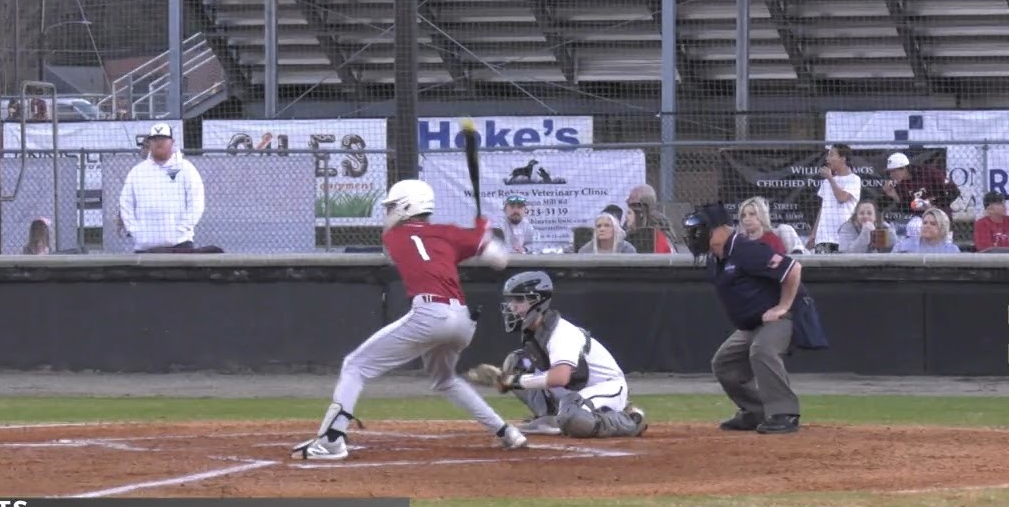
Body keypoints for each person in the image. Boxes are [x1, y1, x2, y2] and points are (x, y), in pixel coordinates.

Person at [291, 178, 525, 461]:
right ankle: (507, 432)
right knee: (445, 380)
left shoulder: (394, 236)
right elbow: (500, 260)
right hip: (462, 320)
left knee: (355, 366)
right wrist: (482, 234)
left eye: (392, 207)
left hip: (430, 314)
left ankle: (331, 440)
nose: (388, 212)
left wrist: (478, 235)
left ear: (406, 206)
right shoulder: (448, 233)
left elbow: (422, 242)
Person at [682, 203, 818, 435]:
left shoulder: (745, 249)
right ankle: (755, 411)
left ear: (722, 229)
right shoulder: (715, 258)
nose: (696, 236)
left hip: (785, 315)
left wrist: (783, 306)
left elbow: (793, 269)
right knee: (724, 363)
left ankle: (784, 413)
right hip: (755, 323)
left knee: (762, 350)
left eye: (702, 229)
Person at [491, 270, 646, 438]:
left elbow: (560, 377)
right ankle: (548, 417)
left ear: (537, 301)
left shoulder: (562, 333)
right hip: (574, 390)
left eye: (519, 300)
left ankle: (630, 420)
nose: (512, 306)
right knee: (516, 363)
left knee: (573, 418)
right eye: (511, 300)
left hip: (605, 386)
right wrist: (504, 377)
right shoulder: (534, 333)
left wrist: (513, 381)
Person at [119, 123, 205, 253]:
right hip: (145, 246)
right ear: (149, 143)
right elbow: (126, 204)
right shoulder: (137, 172)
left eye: (163, 139)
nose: (159, 143)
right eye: (155, 139)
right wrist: (135, 231)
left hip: (179, 244)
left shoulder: (186, 169)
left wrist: (181, 230)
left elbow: (196, 202)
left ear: (172, 142)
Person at [807, 144, 861, 253]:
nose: (827, 158)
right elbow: (823, 208)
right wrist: (814, 234)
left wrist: (830, 178)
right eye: (828, 155)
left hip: (843, 237)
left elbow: (842, 198)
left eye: (831, 155)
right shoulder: (827, 181)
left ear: (843, 159)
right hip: (823, 237)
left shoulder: (854, 179)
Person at [892, 208, 961, 254]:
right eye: (925, 223)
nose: (927, 226)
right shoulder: (904, 246)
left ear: (942, 228)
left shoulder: (952, 250)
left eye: (933, 224)